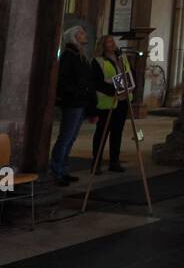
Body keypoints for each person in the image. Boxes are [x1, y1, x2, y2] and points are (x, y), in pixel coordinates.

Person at [51, 25, 98, 185]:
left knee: (71, 138)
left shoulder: (81, 55)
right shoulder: (68, 56)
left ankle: (64, 169)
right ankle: (56, 171)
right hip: (73, 102)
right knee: (65, 137)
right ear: (74, 36)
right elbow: (63, 80)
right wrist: (78, 92)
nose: (85, 35)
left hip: (81, 102)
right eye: (82, 33)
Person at [89, 36, 127, 174]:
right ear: (103, 45)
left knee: (117, 132)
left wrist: (127, 88)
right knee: (102, 133)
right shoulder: (98, 61)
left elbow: (127, 74)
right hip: (107, 101)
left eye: (113, 41)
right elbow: (97, 82)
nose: (112, 43)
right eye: (109, 42)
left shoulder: (121, 58)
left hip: (122, 100)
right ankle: (96, 163)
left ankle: (114, 161)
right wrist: (113, 91)